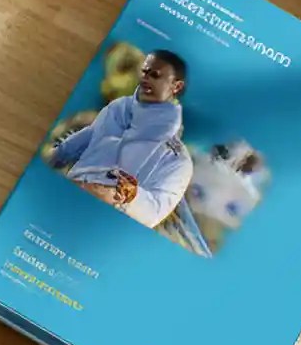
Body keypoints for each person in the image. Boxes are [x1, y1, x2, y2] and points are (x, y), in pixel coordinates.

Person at [46, 50, 194, 228]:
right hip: (62, 199)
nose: (146, 79)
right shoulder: (116, 110)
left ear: (176, 87)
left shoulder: (178, 161)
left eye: (155, 75)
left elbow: (155, 211)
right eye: (144, 72)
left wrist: (124, 195)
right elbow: (83, 140)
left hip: (100, 222)